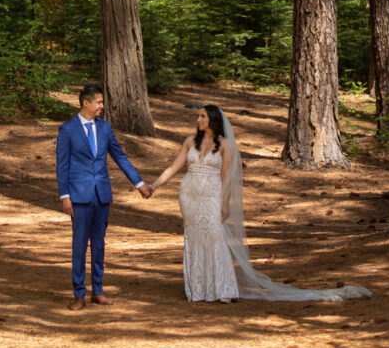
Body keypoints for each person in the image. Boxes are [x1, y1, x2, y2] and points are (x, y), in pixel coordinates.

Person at [149, 103, 372, 305]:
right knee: (195, 239)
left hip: (211, 196)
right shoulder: (190, 142)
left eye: (202, 117)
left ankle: (222, 288)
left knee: (215, 239)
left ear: (213, 120)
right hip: (189, 196)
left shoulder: (225, 145)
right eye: (198, 116)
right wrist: (154, 186)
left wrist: (225, 205)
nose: (198, 120)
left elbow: (227, 178)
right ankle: (197, 289)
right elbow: (174, 167)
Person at [56, 83, 153, 311]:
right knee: (79, 246)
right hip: (78, 197)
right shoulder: (68, 130)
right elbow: (62, 166)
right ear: (85, 103)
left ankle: (97, 291)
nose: (102, 106)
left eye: (102, 102)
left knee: (99, 245)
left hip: (101, 195)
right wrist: (64, 195)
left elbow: (120, 157)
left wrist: (139, 184)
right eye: (98, 102)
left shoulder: (105, 128)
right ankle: (79, 294)